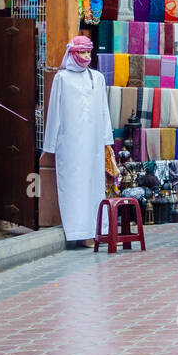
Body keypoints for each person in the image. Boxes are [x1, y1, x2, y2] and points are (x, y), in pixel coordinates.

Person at [42, 35, 113, 249]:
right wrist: (50, 146)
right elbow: (54, 112)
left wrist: (106, 141)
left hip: (93, 145)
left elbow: (104, 110)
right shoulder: (61, 78)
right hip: (70, 144)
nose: (86, 56)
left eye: (88, 52)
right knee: (74, 185)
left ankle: (95, 231)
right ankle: (78, 232)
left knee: (93, 186)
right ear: (73, 53)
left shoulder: (97, 78)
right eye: (82, 52)